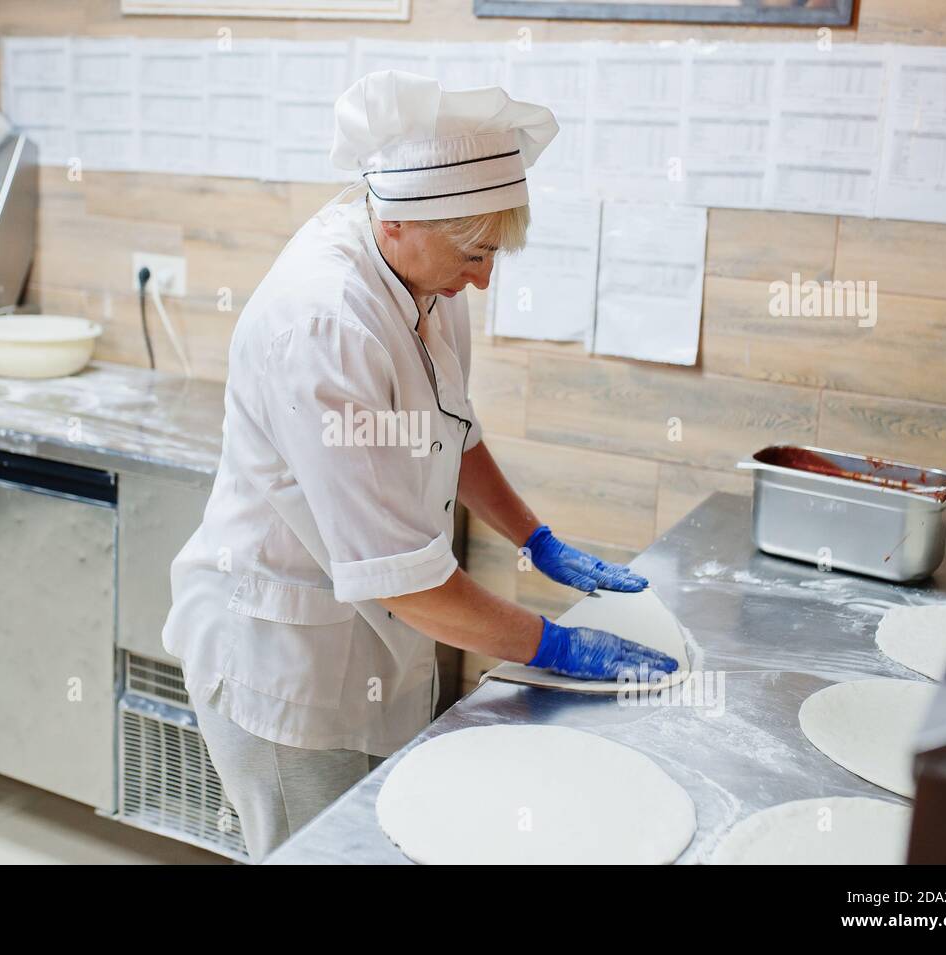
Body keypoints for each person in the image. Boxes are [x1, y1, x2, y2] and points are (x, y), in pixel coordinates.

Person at [162, 70, 677, 863]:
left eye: (493, 253)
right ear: (399, 219)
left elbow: (449, 430)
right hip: (284, 663)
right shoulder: (326, 322)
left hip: (378, 648)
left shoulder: (429, 278)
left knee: (384, 843)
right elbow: (404, 582)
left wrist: (535, 536)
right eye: (475, 254)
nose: (485, 277)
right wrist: (555, 646)